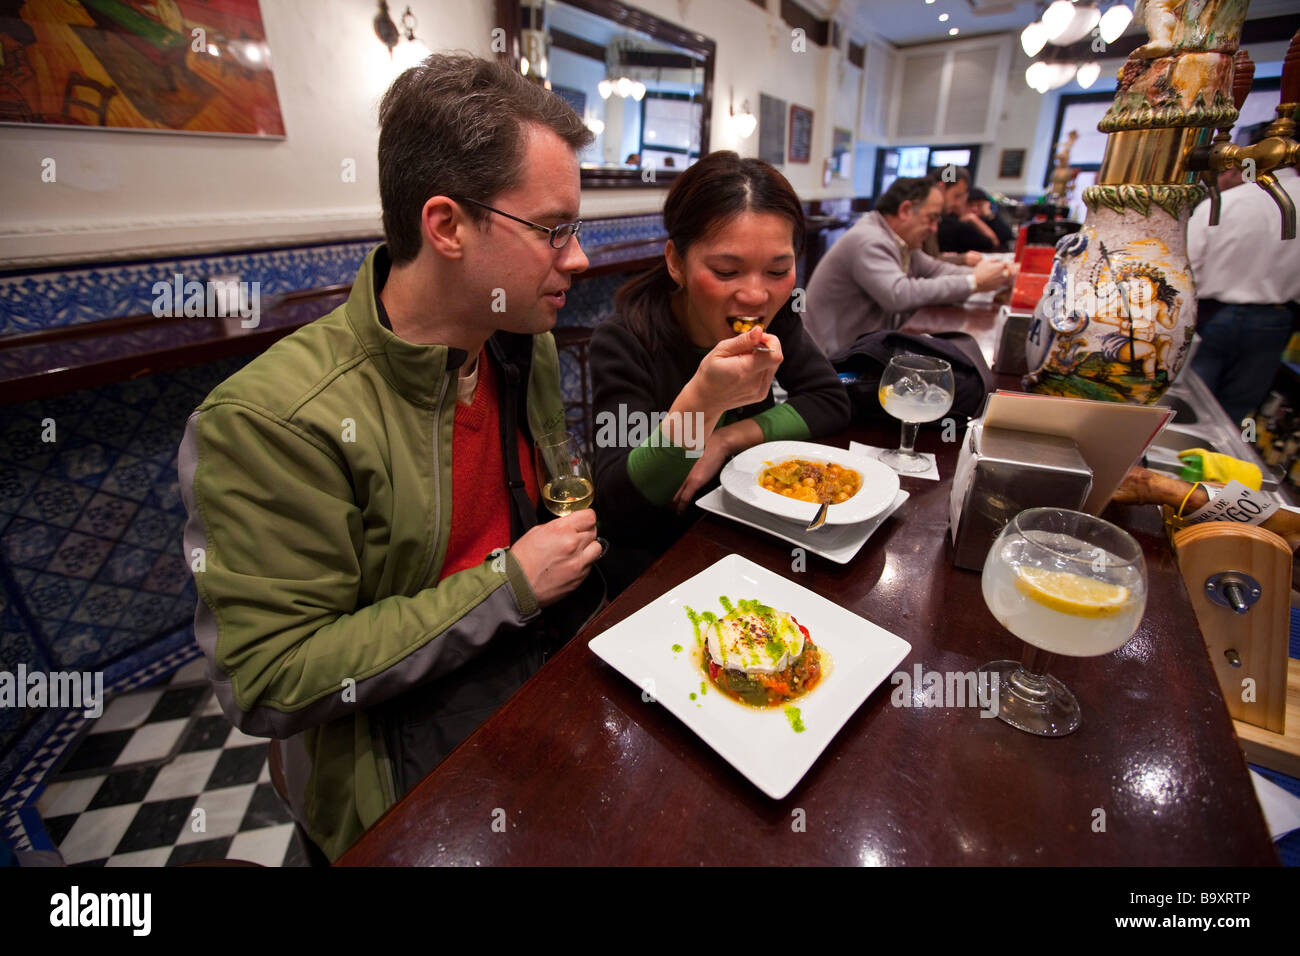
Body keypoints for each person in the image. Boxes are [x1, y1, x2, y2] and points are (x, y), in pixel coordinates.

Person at [178, 55, 604, 862]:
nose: (578, 258)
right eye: (554, 229)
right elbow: (269, 677)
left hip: (540, 691)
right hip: (396, 768)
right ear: (445, 226)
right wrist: (505, 585)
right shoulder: (273, 420)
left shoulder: (520, 347)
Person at [589, 152, 850, 589]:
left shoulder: (778, 316)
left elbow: (829, 400)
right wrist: (703, 405)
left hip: (754, 532)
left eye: (778, 270)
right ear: (676, 262)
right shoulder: (625, 339)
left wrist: (724, 439)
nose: (755, 295)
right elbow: (618, 503)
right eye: (727, 271)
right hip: (660, 557)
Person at [803, 176, 1015, 358]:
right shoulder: (869, 239)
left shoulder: (899, 241)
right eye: (931, 218)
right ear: (905, 210)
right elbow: (898, 294)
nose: (934, 229)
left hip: (859, 348)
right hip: (831, 359)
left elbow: (937, 270)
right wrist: (973, 282)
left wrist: (998, 274)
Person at [1187, 165, 1300, 424]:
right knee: (1234, 412)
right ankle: (1222, 461)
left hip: (1211, 316)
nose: (1223, 177)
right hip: (1276, 317)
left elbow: (1187, 266)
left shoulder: (1223, 203)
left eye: (1228, 170)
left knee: (1192, 395)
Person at [933, 167, 1001, 254]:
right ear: (941, 188)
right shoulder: (948, 224)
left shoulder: (947, 219)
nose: (958, 203)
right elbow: (993, 242)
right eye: (957, 196)